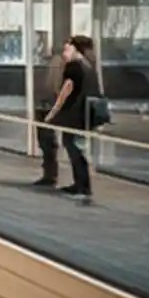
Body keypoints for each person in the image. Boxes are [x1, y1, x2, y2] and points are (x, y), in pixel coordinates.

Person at [43, 35, 98, 200]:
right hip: (83, 114)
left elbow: (65, 91)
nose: (64, 53)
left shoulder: (73, 67)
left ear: (75, 48)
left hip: (73, 115)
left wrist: (53, 112)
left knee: (73, 148)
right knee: (78, 149)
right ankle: (82, 184)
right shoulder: (88, 66)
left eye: (68, 49)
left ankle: (81, 186)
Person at [32, 52, 64, 187]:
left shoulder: (57, 66)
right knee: (45, 140)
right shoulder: (46, 66)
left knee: (47, 140)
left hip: (49, 107)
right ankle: (49, 173)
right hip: (45, 106)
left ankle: (50, 174)